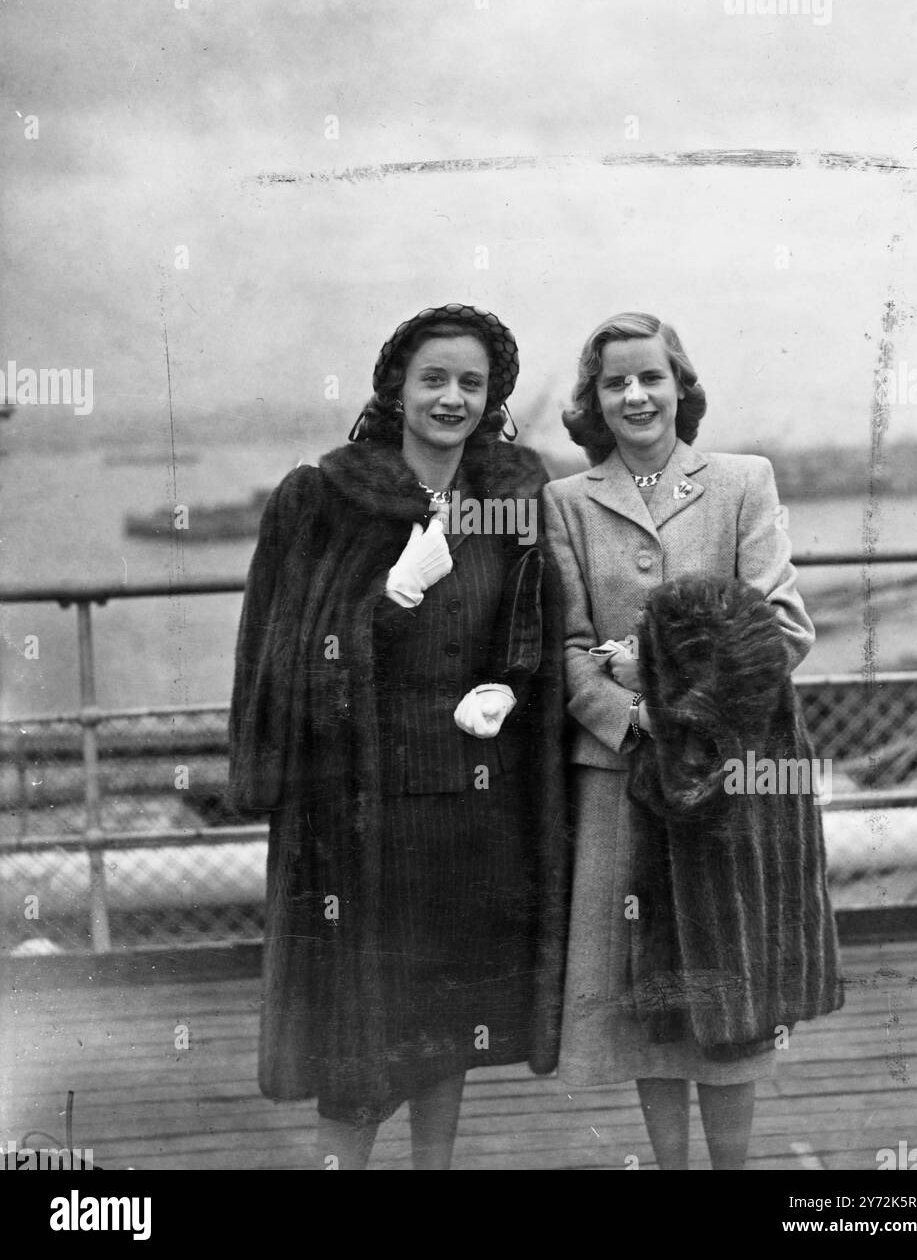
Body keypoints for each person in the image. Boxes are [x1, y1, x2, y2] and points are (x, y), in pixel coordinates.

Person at [228, 303, 565, 1170]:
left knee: (447, 1023)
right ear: (396, 388)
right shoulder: (328, 498)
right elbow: (292, 663)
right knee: (361, 1039)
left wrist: (508, 681)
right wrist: (389, 600)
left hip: (475, 810)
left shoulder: (510, 499)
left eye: (471, 384)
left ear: (492, 400)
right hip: (362, 816)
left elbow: (533, 622)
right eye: (433, 379)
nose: (451, 398)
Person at [541, 311, 841, 1170]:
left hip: (723, 776)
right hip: (618, 773)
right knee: (646, 993)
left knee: (728, 980)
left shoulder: (742, 481)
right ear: (593, 401)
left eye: (650, 377)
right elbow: (563, 648)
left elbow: (781, 630)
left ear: (680, 387)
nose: (634, 395)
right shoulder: (566, 502)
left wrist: (660, 676)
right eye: (614, 382)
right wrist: (624, 711)